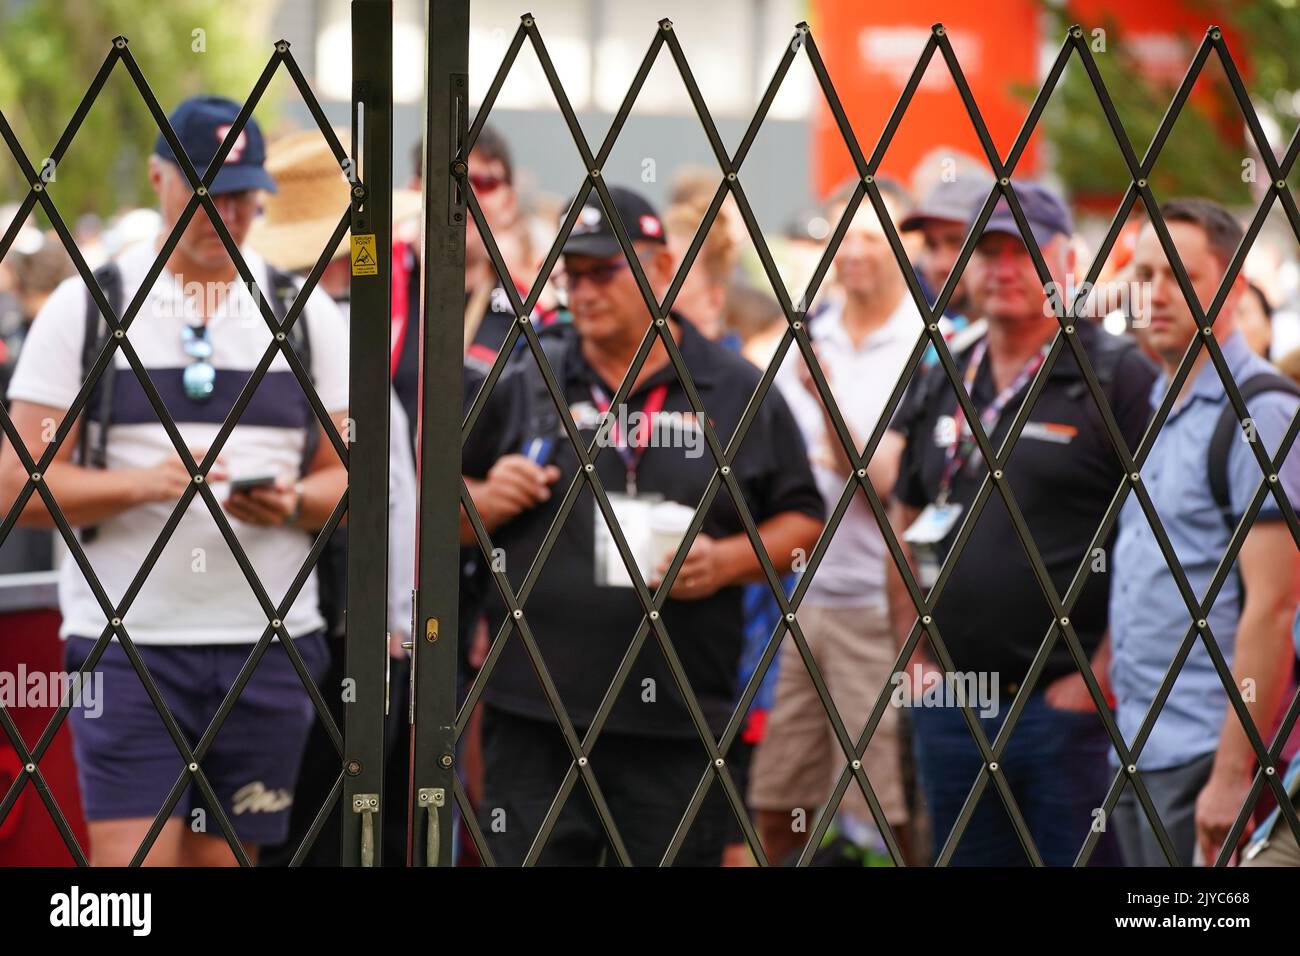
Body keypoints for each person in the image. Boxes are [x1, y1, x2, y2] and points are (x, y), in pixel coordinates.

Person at [0, 95, 350, 866]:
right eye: (206, 193)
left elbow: (352, 486)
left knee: (227, 860)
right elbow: (16, 486)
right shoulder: (89, 306)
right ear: (160, 179)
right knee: (135, 869)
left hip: (267, 642)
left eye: (242, 194)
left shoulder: (302, 313)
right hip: (127, 643)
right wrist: (145, 485)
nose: (225, 215)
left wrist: (291, 502)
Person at [461, 185, 824, 865]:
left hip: (677, 721)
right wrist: (483, 500)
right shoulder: (526, 376)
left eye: (604, 272)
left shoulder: (734, 388)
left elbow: (805, 524)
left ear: (660, 270)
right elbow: (437, 516)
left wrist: (725, 561)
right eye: (572, 275)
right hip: (536, 716)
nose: (584, 292)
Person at [886, 182, 1158, 866]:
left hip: (1064, 712)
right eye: (987, 252)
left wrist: (1100, 674)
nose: (1004, 270)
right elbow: (905, 513)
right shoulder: (944, 370)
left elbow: (1154, 539)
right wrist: (912, 656)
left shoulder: (1116, 376)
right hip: (952, 705)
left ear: (1067, 263)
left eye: (1023, 252)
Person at [245, 129, 420, 866]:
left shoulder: (310, 327)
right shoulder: (322, 331)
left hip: (320, 616)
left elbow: (390, 488)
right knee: (321, 825)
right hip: (321, 617)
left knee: (309, 824)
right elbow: (388, 491)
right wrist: (392, 619)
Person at [1109, 198, 1300, 866]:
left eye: (1179, 276)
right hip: (1139, 744)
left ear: (1234, 286)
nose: (1155, 294)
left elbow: (1274, 606)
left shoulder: (1261, 414)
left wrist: (1230, 771)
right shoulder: (1161, 399)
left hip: (1202, 751)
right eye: (1144, 275)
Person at [749, 185, 919, 864]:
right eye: (843, 235)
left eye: (873, 237)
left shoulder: (926, 344)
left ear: (904, 247)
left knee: (885, 811)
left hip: (878, 609)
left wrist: (824, 399)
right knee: (777, 798)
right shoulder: (806, 335)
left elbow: (881, 484)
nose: (853, 251)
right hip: (803, 602)